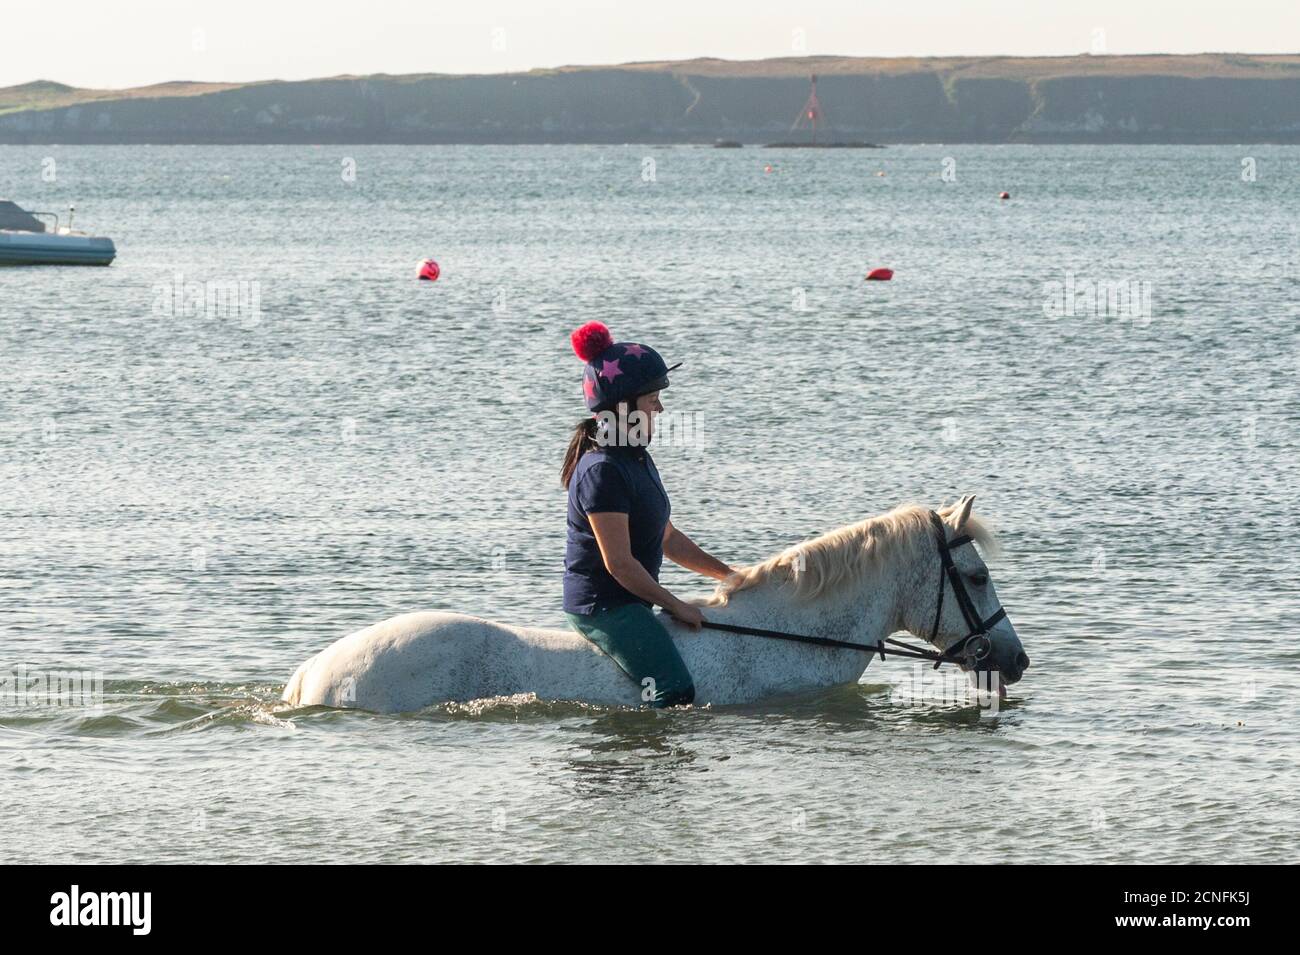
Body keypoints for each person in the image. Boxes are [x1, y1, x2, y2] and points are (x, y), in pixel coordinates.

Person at [561, 321, 733, 707]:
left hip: (633, 602)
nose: (660, 407)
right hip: (605, 608)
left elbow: (667, 538)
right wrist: (676, 605)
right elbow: (619, 564)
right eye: (652, 398)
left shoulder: (636, 457)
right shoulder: (602, 469)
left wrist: (732, 576)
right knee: (676, 690)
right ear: (624, 406)